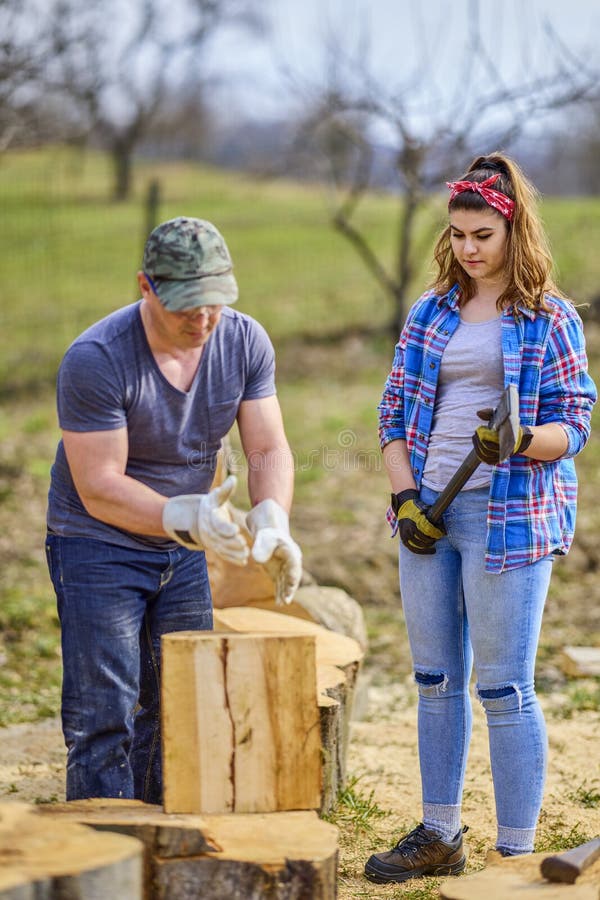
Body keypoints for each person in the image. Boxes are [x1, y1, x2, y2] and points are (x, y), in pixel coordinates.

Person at [365, 154, 597, 884]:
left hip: (512, 517)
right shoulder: (430, 313)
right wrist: (405, 500)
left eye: (483, 235)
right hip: (431, 513)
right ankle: (439, 832)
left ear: (512, 229)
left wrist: (523, 441)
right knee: (435, 679)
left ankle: (516, 853)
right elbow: (393, 413)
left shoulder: (549, 319)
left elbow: (577, 422)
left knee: (503, 687)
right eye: (459, 234)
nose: (469, 248)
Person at [45, 216, 303, 804]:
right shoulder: (97, 359)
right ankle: (105, 856)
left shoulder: (244, 340)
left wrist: (272, 519)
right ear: (146, 286)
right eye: (187, 305)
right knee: (103, 713)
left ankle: (167, 836)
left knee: (182, 699)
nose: (203, 319)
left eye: (214, 303)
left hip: (186, 546)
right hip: (97, 544)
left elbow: (266, 446)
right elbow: (99, 486)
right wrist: (182, 515)